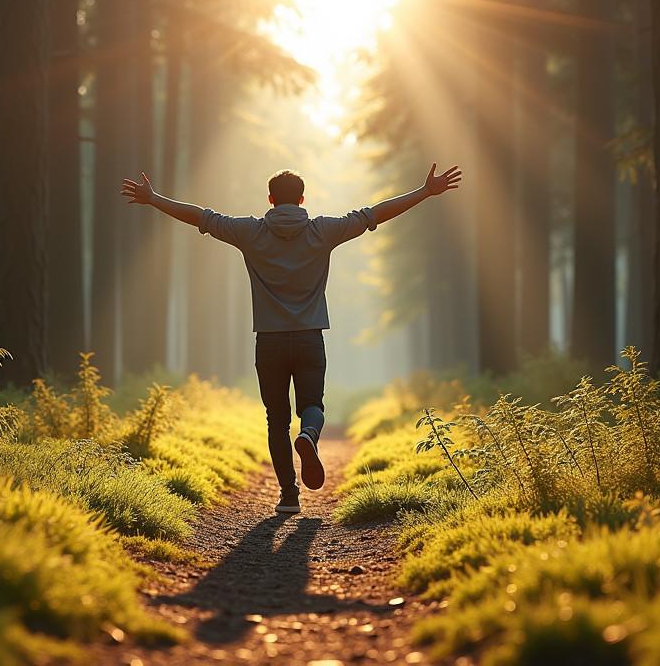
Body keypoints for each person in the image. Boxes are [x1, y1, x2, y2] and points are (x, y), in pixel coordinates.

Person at [121, 163, 463, 513]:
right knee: (312, 406)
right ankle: (309, 436)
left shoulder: (249, 232)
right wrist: (424, 191)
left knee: (276, 419)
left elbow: (202, 218)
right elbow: (374, 214)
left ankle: (288, 495)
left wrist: (154, 199)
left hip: (268, 342)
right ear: (302, 199)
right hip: (309, 339)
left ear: (270, 200)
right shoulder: (324, 231)